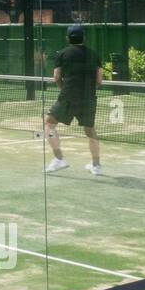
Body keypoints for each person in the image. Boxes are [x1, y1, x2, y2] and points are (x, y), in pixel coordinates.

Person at [44, 24, 104, 176]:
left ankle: (59, 159)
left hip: (68, 97)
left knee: (49, 125)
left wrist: (63, 89)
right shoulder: (94, 54)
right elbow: (99, 81)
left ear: (67, 38)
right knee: (91, 131)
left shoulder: (62, 54)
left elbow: (57, 77)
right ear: (84, 37)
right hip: (88, 98)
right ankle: (96, 165)